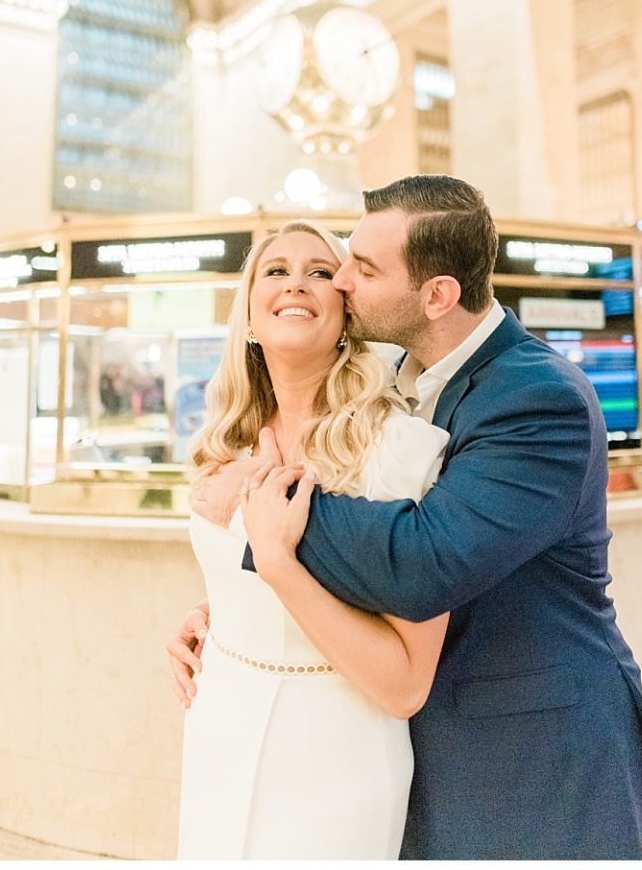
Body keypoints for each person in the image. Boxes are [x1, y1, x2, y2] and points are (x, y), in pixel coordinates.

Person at [170, 176, 642, 859]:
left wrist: (258, 514)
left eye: (361, 269)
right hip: (348, 734)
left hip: (530, 749)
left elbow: (423, 561)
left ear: (437, 296)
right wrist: (234, 608)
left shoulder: (538, 397)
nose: (341, 281)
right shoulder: (401, 379)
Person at [167, 218, 447, 858]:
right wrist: (214, 616)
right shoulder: (227, 440)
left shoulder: (398, 452)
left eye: (321, 272)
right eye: (276, 270)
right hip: (219, 723)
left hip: (338, 749)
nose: (296, 283)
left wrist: (277, 564)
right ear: (249, 313)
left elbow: (406, 684)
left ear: (347, 312)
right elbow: (254, 583)